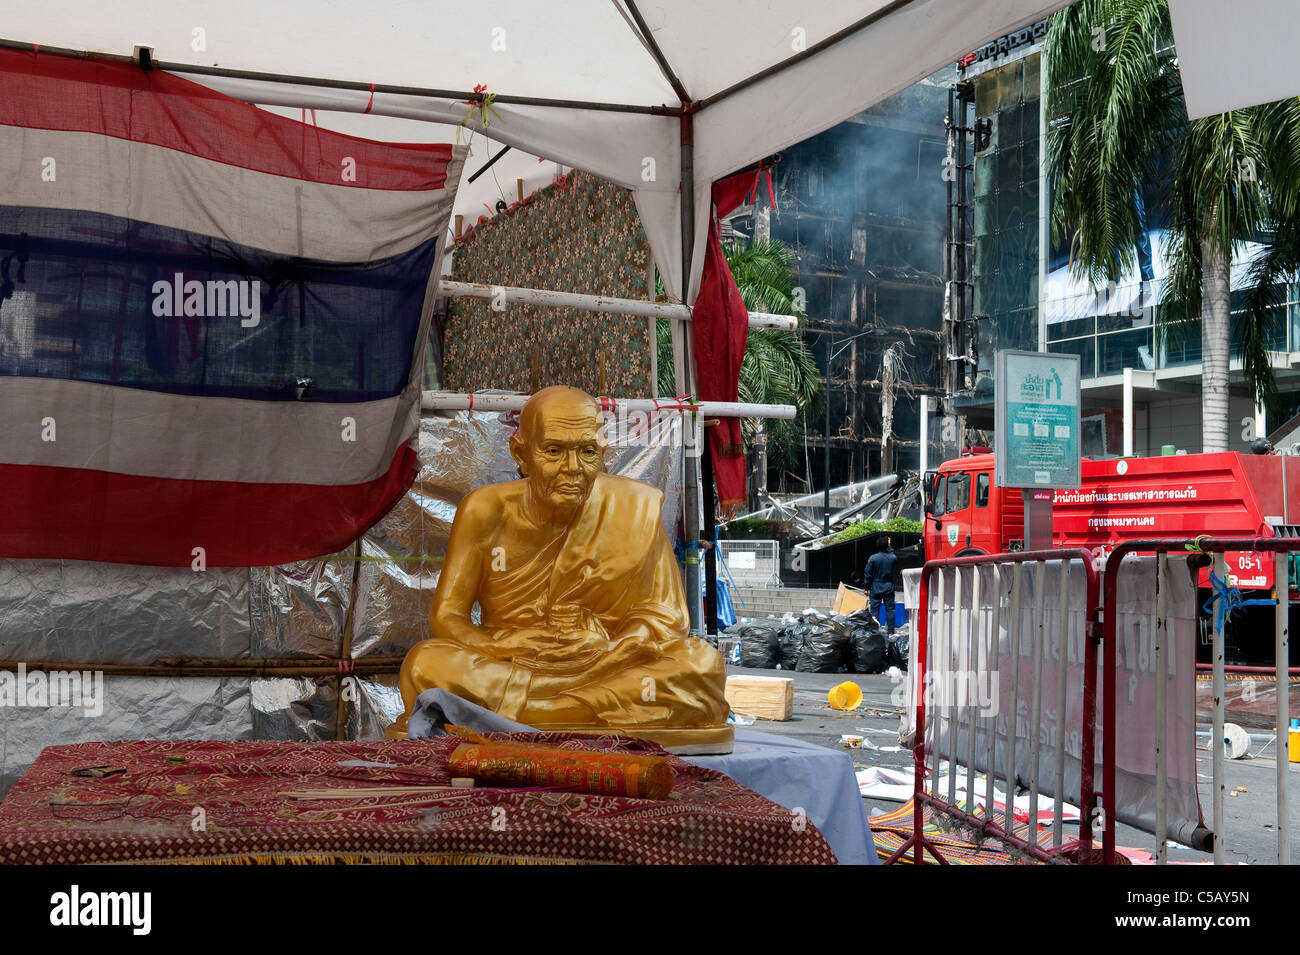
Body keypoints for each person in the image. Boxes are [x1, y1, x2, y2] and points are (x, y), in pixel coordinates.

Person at [388, 385, 733, 754]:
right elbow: (448, 616)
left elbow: (666, 617)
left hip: (608, 660)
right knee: (425, 663)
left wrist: (614, 648)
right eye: (553, 451)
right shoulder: (485, 510)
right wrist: (498, 645)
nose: (572, 469)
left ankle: (537, 714)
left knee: (701, 662)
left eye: (587, 452)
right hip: (515, 662)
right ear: (521, 452)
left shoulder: (634, 507)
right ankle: (575, 710)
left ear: (603, 452)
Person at [864, 536, 898, 636]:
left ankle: (874, 632)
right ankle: (891, 631)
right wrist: (889, 545)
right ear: (888, 545)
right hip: (888, 586)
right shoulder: (893, 558)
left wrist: (866, 587)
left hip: (875, 586)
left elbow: (867, 573)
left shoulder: (873, 558)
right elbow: (892, 554)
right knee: (890, 610)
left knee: (874, 611)